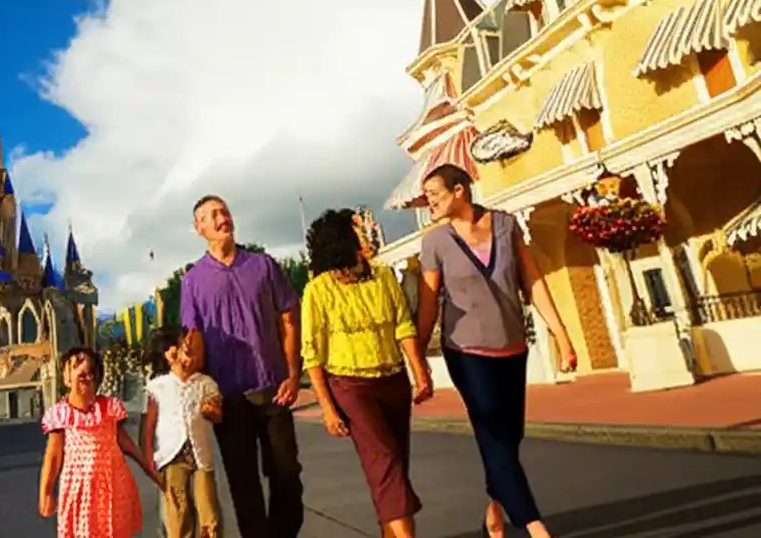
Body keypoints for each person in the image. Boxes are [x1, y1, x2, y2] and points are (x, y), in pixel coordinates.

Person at [414, 164, 578, 538]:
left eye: (435, 194)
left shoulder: (506, 226)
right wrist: (419, 360)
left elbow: (532, 280)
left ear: (459, 190)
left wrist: (561, 335)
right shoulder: (435, 242)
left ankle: (495, 506)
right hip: (466, 351)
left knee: (509, 437)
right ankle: (535, 526)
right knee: (491, 431)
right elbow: (427, 303)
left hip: (512, 346)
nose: (430, 203)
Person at [301, 208, 432, 538]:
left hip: (393, 380)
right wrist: (328, 409)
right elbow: (312, 354)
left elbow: (403, 324)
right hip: (351, 387)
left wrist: (420, 373)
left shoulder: (384, 275)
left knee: (396, 467)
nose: (369, 233)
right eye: (360, 230)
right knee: (384, 462)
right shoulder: (318, 290)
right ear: (342, 241)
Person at [180, 194, 304, 538]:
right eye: (213, 215)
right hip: (229, 399)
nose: (223, 218)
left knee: (287, 476)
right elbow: (194, 340)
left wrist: (294, 373)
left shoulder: (263, 265)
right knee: (243, 486)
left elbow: (289, 319)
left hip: (274, 388)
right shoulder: (192, 282)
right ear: (199, 227)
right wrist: (197, 387)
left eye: (225, 211)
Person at [39, 346, 160, 538]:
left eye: (90, 375)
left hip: (113, 485)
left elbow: (124, 442)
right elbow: (53, 457)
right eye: (78, 371)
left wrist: (147, 466)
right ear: (66, 378)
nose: (85, 378)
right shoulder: (61, 415)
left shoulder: (109, 408)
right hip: (79, 489)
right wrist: (46, 492)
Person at [141, 326, 224, 538]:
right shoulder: (157, 386)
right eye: (184, 352)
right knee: (177, 517)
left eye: (193, 354)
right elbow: (148, 426)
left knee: (209, 514)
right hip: (171, 457)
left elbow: (217, 413)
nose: (188, 358)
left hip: (200, 456)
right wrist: (149, 461)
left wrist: (212, 411)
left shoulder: (206, 383)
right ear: (171, 355)